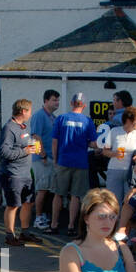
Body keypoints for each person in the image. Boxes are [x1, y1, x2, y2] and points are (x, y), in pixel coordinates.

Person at [50, 92, 96, 237]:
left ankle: (54, 224)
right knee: (76, 196)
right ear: (84, 105)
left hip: (63, 160)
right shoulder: (88, 121)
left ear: (71, 103)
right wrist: (102, 149)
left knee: (58, 194)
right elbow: (93, 143)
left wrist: (56, 160)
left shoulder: (61, 118)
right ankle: (71, 226)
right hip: (81, 162)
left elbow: (55, 141)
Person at [0, 99, 37, 247]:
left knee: (28, 202)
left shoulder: (24, 127)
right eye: (29, 111)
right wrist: (25, 151)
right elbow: (4, 151)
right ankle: (10, 235)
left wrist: (32, 146)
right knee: (13, 205)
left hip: (26, 173)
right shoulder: (9, 128)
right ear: (23, 111)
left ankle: (25, 232)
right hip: (13, 174)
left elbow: (24, 144)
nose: (30, 114)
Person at [101, 106, 136, 210]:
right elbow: (105, 151)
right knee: (113, 201)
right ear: (129, 120)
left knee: (129, 201)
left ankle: (125, 225)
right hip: (115, 169)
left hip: (131, 171)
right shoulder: (114, 132)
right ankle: (114, 224)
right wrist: (114, 154)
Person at [29, 89, 60, 230]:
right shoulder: (39, 116)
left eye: (57, 100)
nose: (57, 102)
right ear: (46, 100)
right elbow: (35, 137)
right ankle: (38, 217)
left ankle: (44, 215)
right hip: (43, 159)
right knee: (41, 189)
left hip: (51, 158)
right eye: (54, 100)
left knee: (48, 189)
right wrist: (42, 155)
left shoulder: (52, 117)